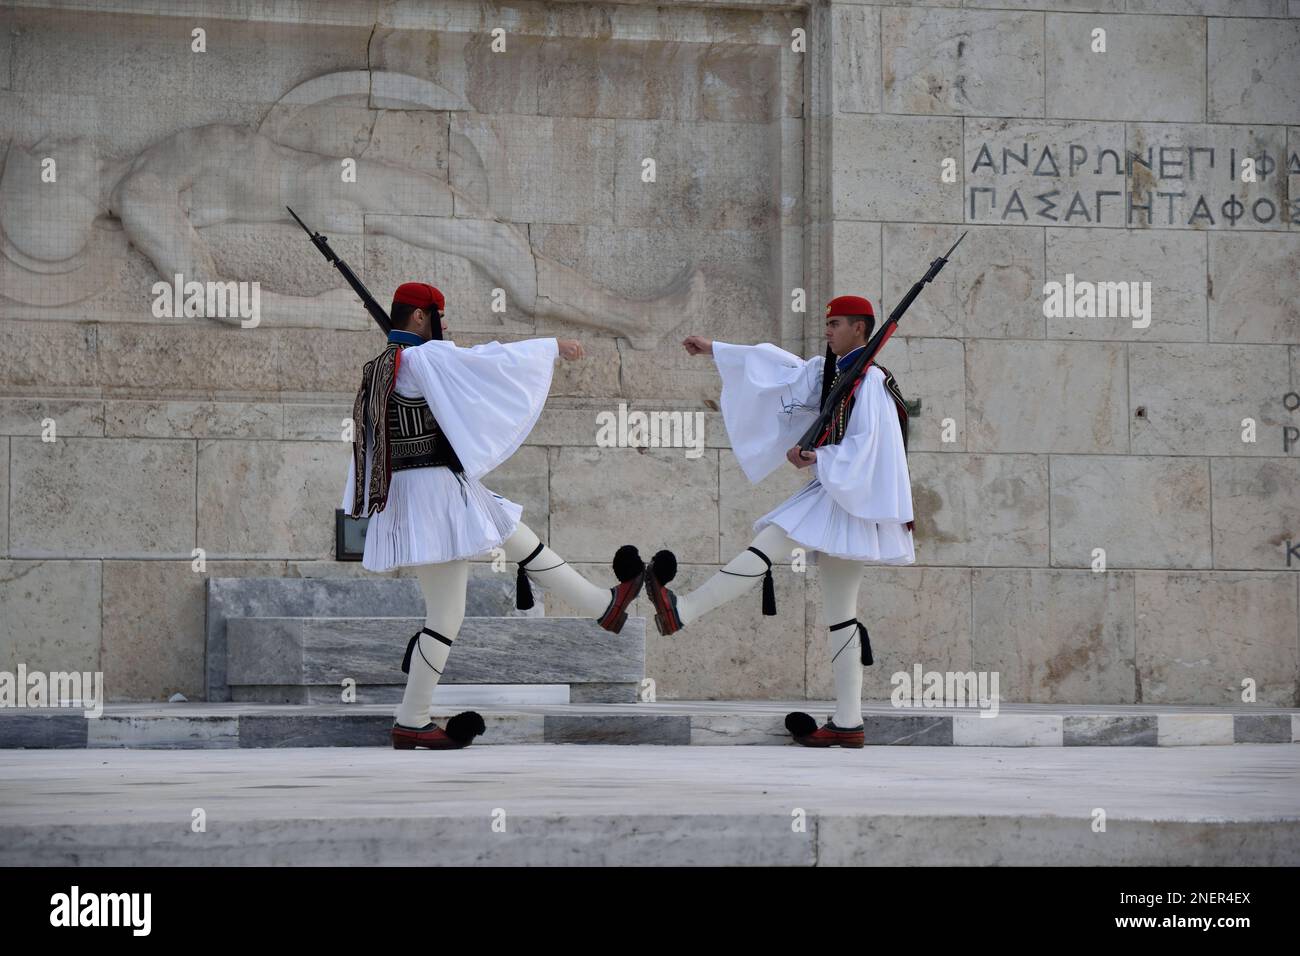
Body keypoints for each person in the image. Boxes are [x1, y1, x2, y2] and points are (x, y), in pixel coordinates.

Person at [342, 281, 644, 750]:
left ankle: (605, 607)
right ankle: (412, 719)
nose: (445, 327)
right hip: (435, 494)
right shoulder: (423, 359)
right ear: (419, 317)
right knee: (446, 614)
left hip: (424, 490)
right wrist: (550, 347)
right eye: (438, 317)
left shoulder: (381, 367)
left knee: (514, 535)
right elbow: (488, 359)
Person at [642, 295, 915, 748]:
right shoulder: (837, 372)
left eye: (836, 324)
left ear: (861, 330)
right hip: (838, 495)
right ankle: (849, 724)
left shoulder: (871, 381)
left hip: (847, 497)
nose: (827, 330)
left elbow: (874, 447)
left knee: (768, 545)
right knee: (842, 616)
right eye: (827, 323)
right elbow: (779, 369)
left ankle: (682, 611)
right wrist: (717, 350)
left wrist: (817, 456)